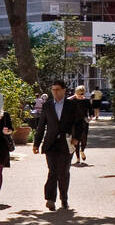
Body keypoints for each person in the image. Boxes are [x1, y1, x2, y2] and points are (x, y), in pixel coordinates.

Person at [32, 79, 81, 209]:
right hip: (51, 143)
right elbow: (41, 126)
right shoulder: (47, 105)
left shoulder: (72, 105)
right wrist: (36, 143)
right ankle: (50, 199)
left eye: (58, 89)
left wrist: (76, 138)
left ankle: (64, 198)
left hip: (66, 142)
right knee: (52, 171)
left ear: (64, 90)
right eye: (53, 90)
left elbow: (79, 123)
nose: (55, 92)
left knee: (63, 172)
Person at [70, 86, 93, 163]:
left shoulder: (86, 101)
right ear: (76, 93)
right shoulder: (73, 100)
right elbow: (65, 101)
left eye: (82, 93)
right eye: (79, 93)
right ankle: (77, 158)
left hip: (84, 122)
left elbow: (91, 110)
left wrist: (91, 117)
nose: (81, 95)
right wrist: (74, 96)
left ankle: (82, 150)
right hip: (74, 122)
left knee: (84, 138)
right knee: (76, 140)